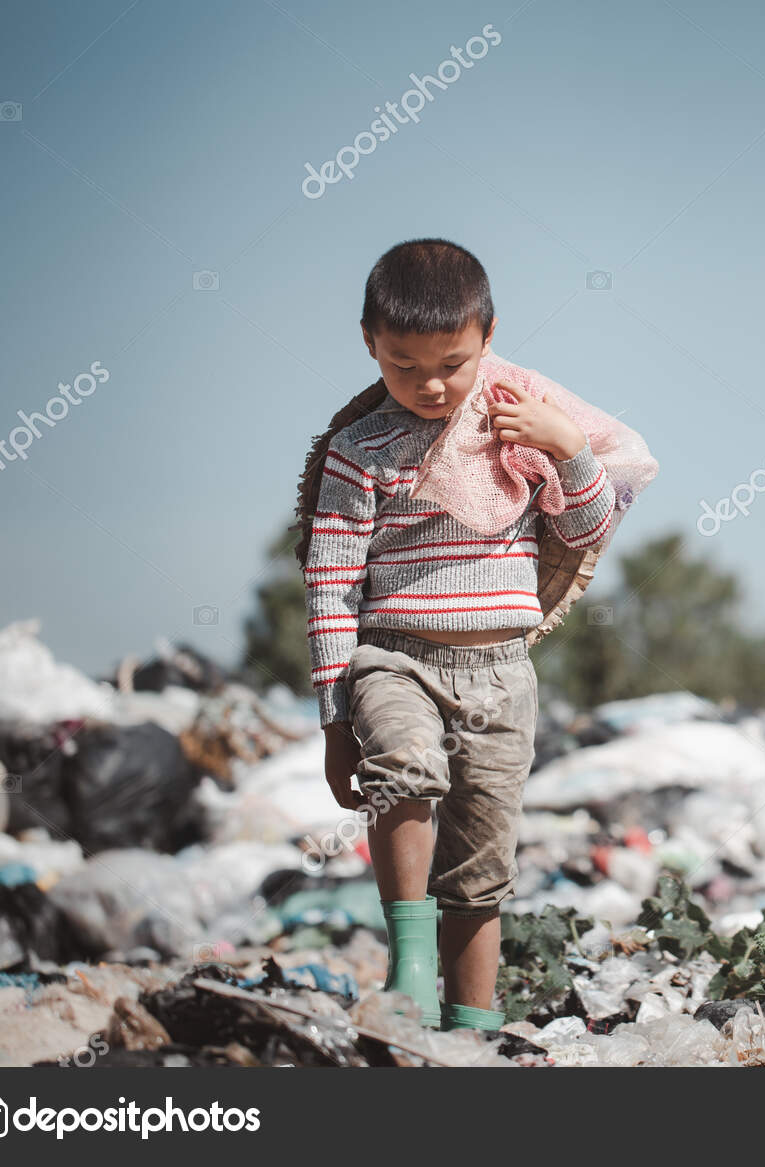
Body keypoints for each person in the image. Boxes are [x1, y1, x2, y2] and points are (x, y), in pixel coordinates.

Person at [294, 238, 647, 1031]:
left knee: (482, 870)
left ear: (488, 335)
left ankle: (473, 1032)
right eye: (403, 364)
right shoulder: (360, 454)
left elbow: (585, 524)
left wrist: (566, 446)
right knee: (405, 771)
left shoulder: (518, 424)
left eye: (451, 362)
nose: (429, 384)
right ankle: (409, 958)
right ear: (369, 344)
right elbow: (331, 584)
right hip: (395, 658)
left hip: (500, 672)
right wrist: (334, 719)